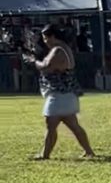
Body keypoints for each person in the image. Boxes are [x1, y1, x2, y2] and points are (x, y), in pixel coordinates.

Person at [28, 24, 95, 160]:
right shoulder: (62, 48)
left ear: (52, 36)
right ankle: (89, 151)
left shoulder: (58, 50)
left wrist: (34, 61)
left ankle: (44, 155)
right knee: (73, 125)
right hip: (66, 94)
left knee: (51, 124)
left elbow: (46, 66)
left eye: (45, 38)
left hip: (60, 93)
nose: (44, 41)